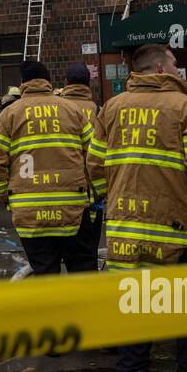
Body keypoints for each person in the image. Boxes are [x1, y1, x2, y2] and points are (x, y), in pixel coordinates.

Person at [87, 44, 187, 372]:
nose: (180, 69)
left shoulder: (112, 108)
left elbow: (95, 163)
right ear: (163, 66)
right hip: (178, 232)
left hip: (126, 231)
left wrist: (110, 197)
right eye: (176, 63)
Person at [0, 61, 94, 275]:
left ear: (22, 84)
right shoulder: (71, 109)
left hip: (29, 210)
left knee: (45, 272)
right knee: (82, 270)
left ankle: (51, 308)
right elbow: (93, 154)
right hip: (71, 207)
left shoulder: (9, 114)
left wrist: (3, 194)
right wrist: (93, 189)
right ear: (48, 82)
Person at [59, 63, 103, 261]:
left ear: (66, 83)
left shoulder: (56, 108)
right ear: (89, 83)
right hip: (90, 189)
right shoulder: (98, 110)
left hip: (60, 187)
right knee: (87, 252)